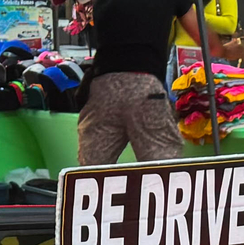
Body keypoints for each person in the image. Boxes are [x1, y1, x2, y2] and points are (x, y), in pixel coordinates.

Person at [76, 0, 208, 166]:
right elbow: (204, 38)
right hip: (145, 85)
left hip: (103, 85)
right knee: (164, 173)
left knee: (89, 174)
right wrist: (226, 49)